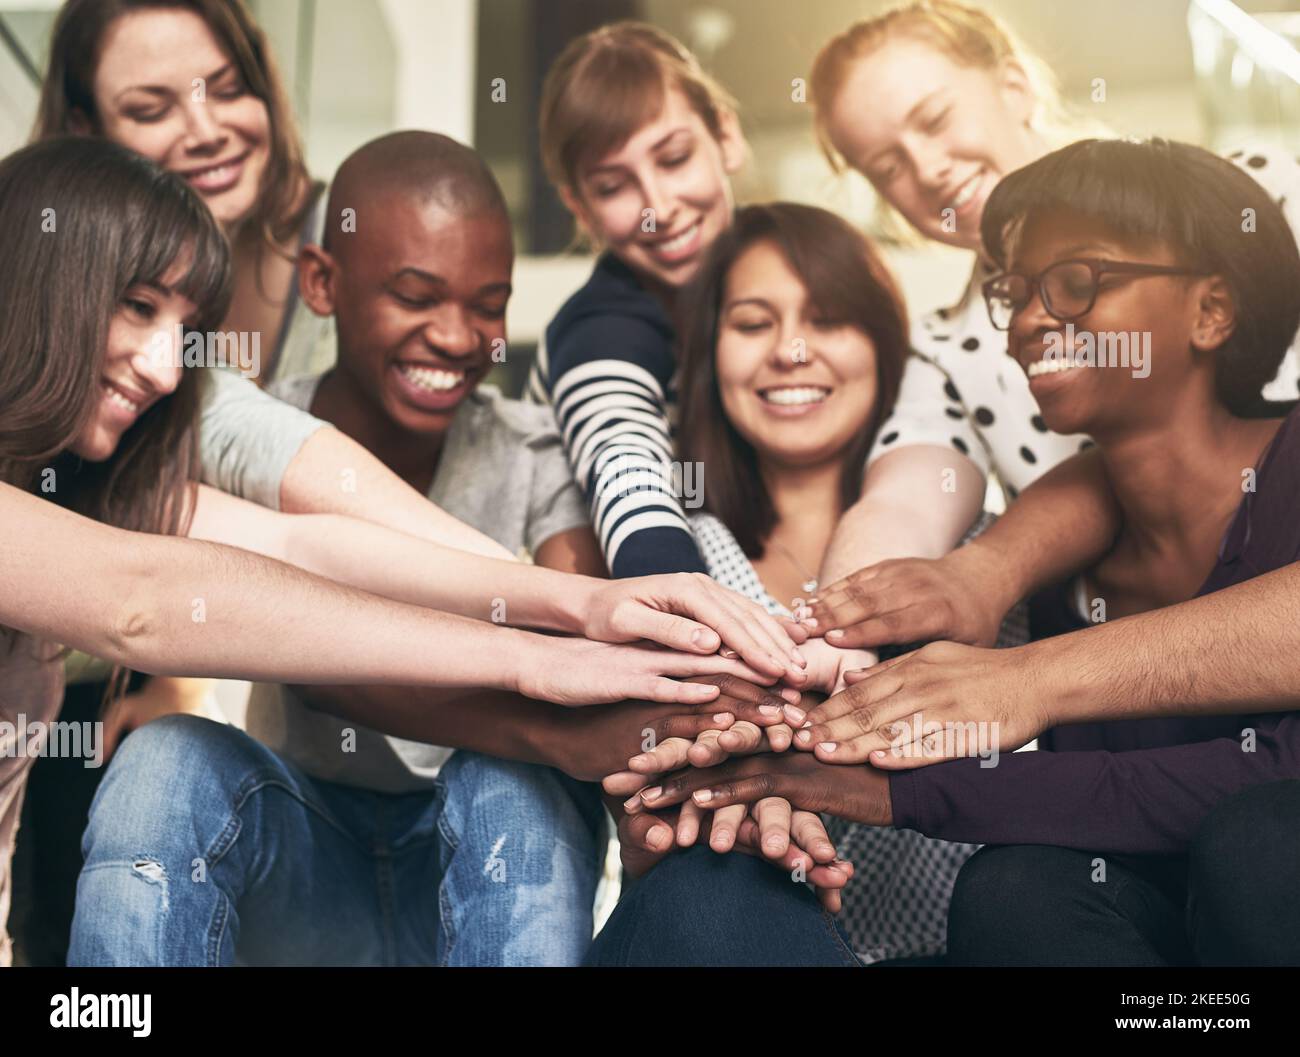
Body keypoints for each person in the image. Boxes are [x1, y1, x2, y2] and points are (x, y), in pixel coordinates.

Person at [0, 136, 805, 966]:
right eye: (137, 307)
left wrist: (582, 605)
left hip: (456, 859)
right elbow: (144, 600)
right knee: (165, 758)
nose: (169, 368)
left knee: (508, 775)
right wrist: (530, 662)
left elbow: (300, 544)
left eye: (186, 326)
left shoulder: (102, 481)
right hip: (310, 866)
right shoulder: (129, 476)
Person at [618, 139, 1300, 967]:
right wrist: (788, 750)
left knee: (1260, 839)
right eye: (1014, 292)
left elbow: (1267, 778)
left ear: (1212, 310)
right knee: (1015, 890)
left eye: (1079, 280)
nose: (1031, 320)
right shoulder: (1061, 553)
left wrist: (904, 783)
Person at [804, 0, 1300, 624]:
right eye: (886, 167)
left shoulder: (1260, 200)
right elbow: (902, 504)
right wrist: (837, 626)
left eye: (934, 119)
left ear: (1014, 87)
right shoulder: (941, 349)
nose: (927, 170)